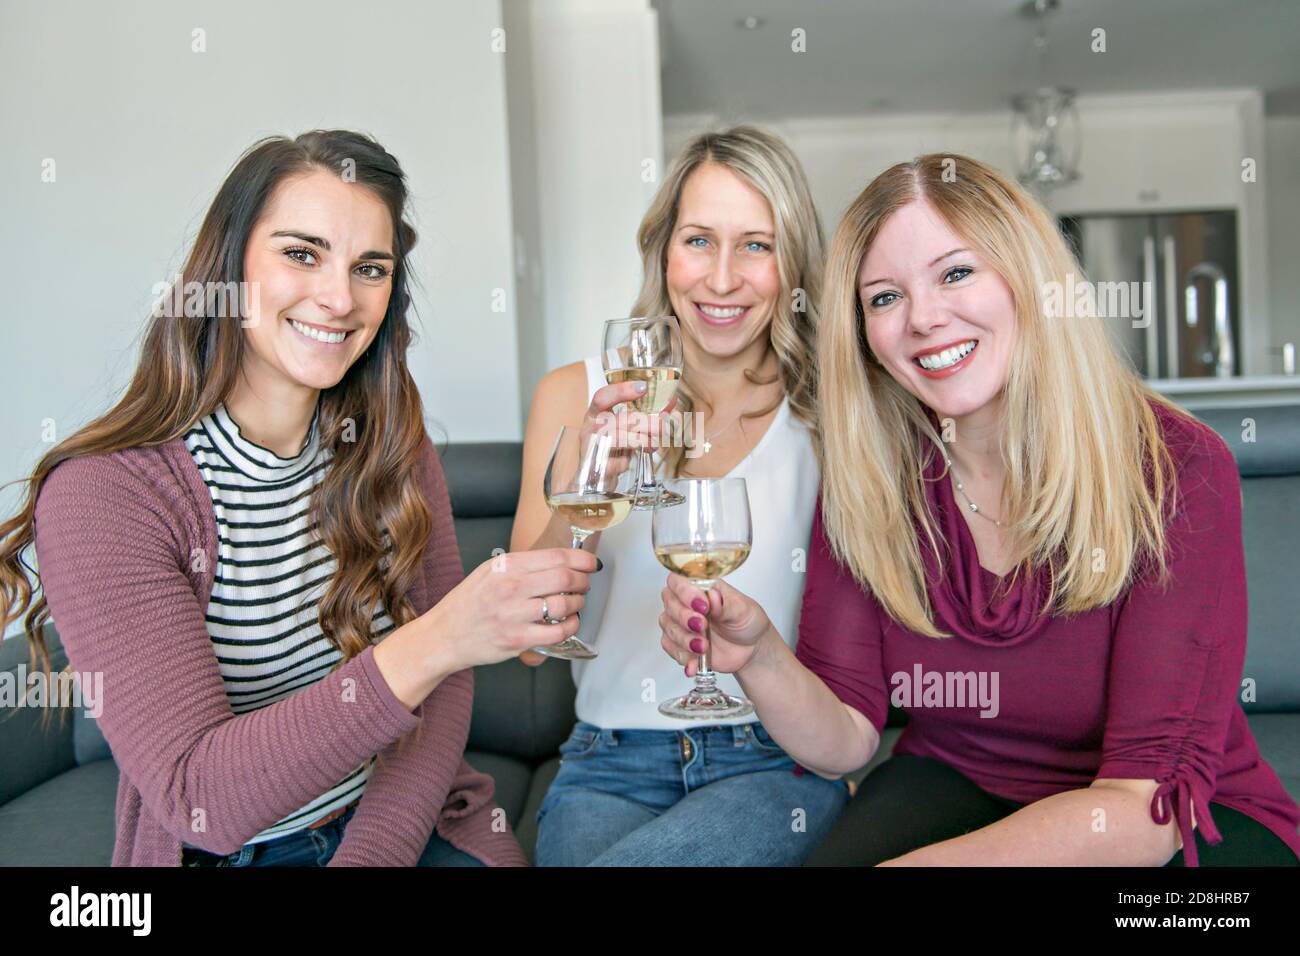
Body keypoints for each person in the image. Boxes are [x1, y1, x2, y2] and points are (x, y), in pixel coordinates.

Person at [658, 152, 1300, 866]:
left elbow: (1144, 808)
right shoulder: (873, 477)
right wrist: (759, 658)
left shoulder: (1179, 466)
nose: (925, 319)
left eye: (956, 273)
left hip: (1171, 818)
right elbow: (844, 738)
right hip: (956, 779)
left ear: (1028, 279)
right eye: (884, 298)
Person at [0, 130, 595, 867]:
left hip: (406, 823)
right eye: (301, 253)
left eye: (369, 268)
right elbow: (200, 800)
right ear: (229, 266)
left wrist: (371, 853)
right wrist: (439, 639)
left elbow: (443, 695)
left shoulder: (390, 438)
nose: (339, 298)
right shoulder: (109, 495)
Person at [512, 126, 848, 865]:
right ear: (663, 250)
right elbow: (535, 644)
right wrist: (592, 478)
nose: (722, 279)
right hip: (608, 762)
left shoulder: (833, 414)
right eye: (699, 240)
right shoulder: (575, 395)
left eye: (757, 246)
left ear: (792, 263)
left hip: (773, 760)